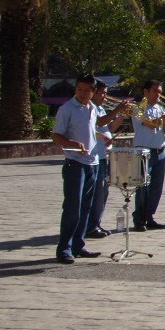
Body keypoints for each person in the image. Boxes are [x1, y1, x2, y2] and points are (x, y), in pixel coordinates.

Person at [51, 75, 127, 263]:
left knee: (86, 208)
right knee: (72, 208)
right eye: (79, 90)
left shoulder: (92, 109)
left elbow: (93, 128)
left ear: (93, 92)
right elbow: (56, 135)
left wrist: (102, 138)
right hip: (75, 164)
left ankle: (78, 245)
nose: (83, 93)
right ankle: (64, 249)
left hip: (92, 163)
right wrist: (72, 143)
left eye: (86, 90)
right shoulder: (67, 109)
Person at [132, 79, 165, 231]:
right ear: (145, 92)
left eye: (160, 91)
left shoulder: (159, 108)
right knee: (143, 187)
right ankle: (139, 218)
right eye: (155, 91)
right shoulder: (138, 108)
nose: (159, 94)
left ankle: (149, 216)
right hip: (144, 152)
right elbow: (151, 124)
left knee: (156, 188)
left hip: (160, 151)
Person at [85, 80, 127, 239]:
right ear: (93, 92)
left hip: (104, 155)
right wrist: (118, 108)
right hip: (96, 157)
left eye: (105, 93)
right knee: (97, 193)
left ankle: (96, 223)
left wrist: (120, 118)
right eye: (102, 93)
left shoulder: (100, 108)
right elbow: (100, 122)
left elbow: (107, 128)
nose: (104, 96)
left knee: (103, 193)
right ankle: (91, 226)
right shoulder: (91, 108)